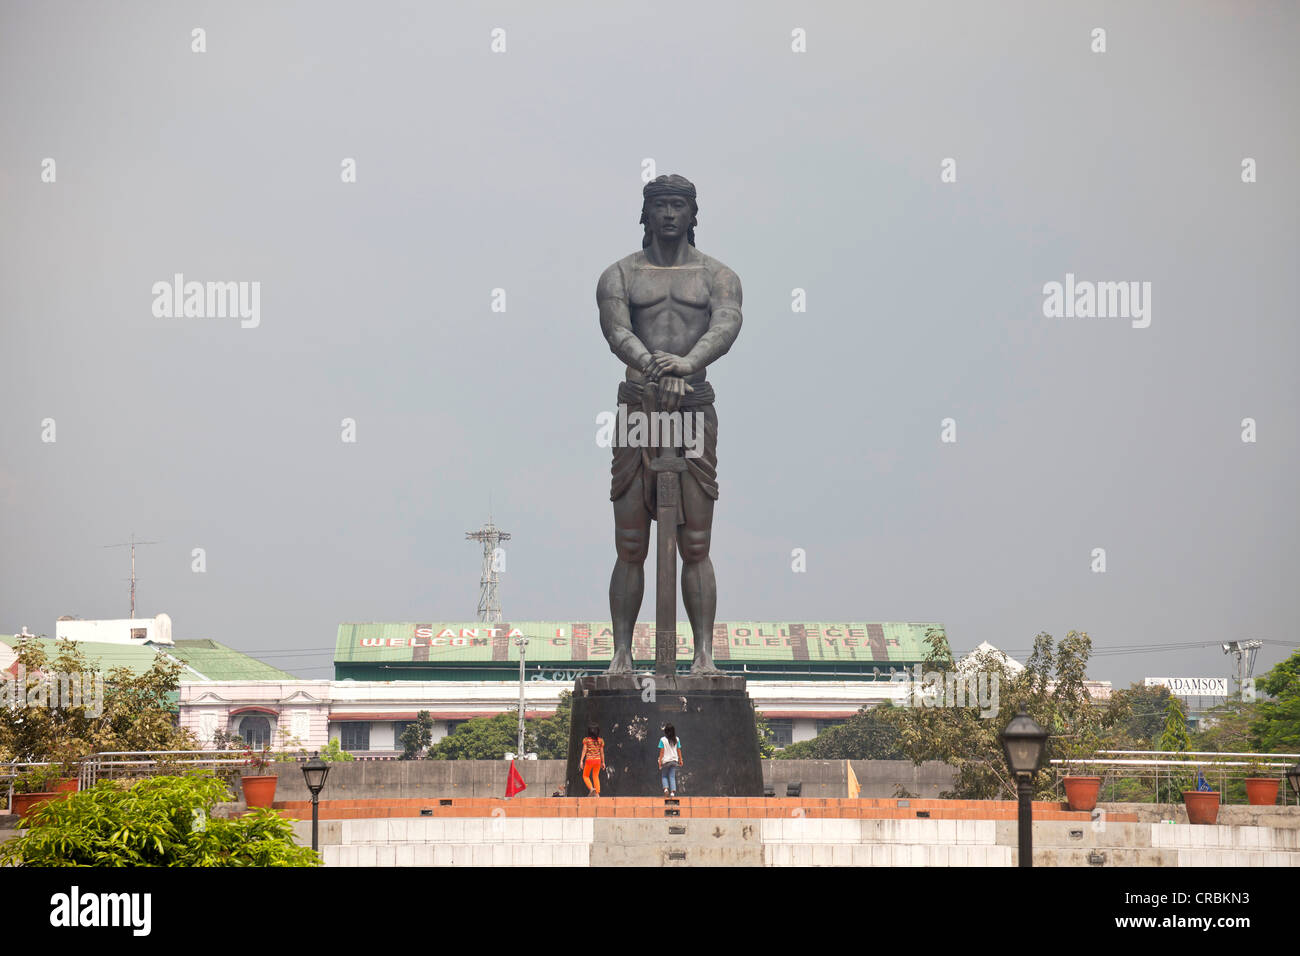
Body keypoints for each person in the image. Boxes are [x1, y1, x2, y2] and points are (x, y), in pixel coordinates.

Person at [599, 174, 743, 676]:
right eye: (659, 205)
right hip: (638, 409)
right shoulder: (620, 274)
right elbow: (616, 329)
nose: (667, 214)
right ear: (645, 213)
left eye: (677, 205)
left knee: (696, 542)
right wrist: (656, 365)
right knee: (631, 542)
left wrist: (686, 363)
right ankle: (622, 651)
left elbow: (726, 325)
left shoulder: (716, 276)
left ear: (692, 214)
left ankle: (703, 654)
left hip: (693, 410)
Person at [658, 723, 683, 796]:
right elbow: (679, 750)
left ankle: (666, 789)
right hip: (674, 761)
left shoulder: (662, 740)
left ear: (665, 731)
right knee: (672, 776)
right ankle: (672, 792)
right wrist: (680, 760)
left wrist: (660, 761)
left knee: (664, 776)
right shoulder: (677, 739)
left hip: (665, 761)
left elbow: (662, 752)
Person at [581, 724, 605, 797]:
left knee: (585, 775)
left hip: (589, 760)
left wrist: (581, 760)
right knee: (595, 776)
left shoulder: (586, 740)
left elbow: (584, 750)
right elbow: (602, 753)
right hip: (598, 761)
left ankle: (591, 789)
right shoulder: (600, 740)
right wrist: (603, 762)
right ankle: (597, 793)